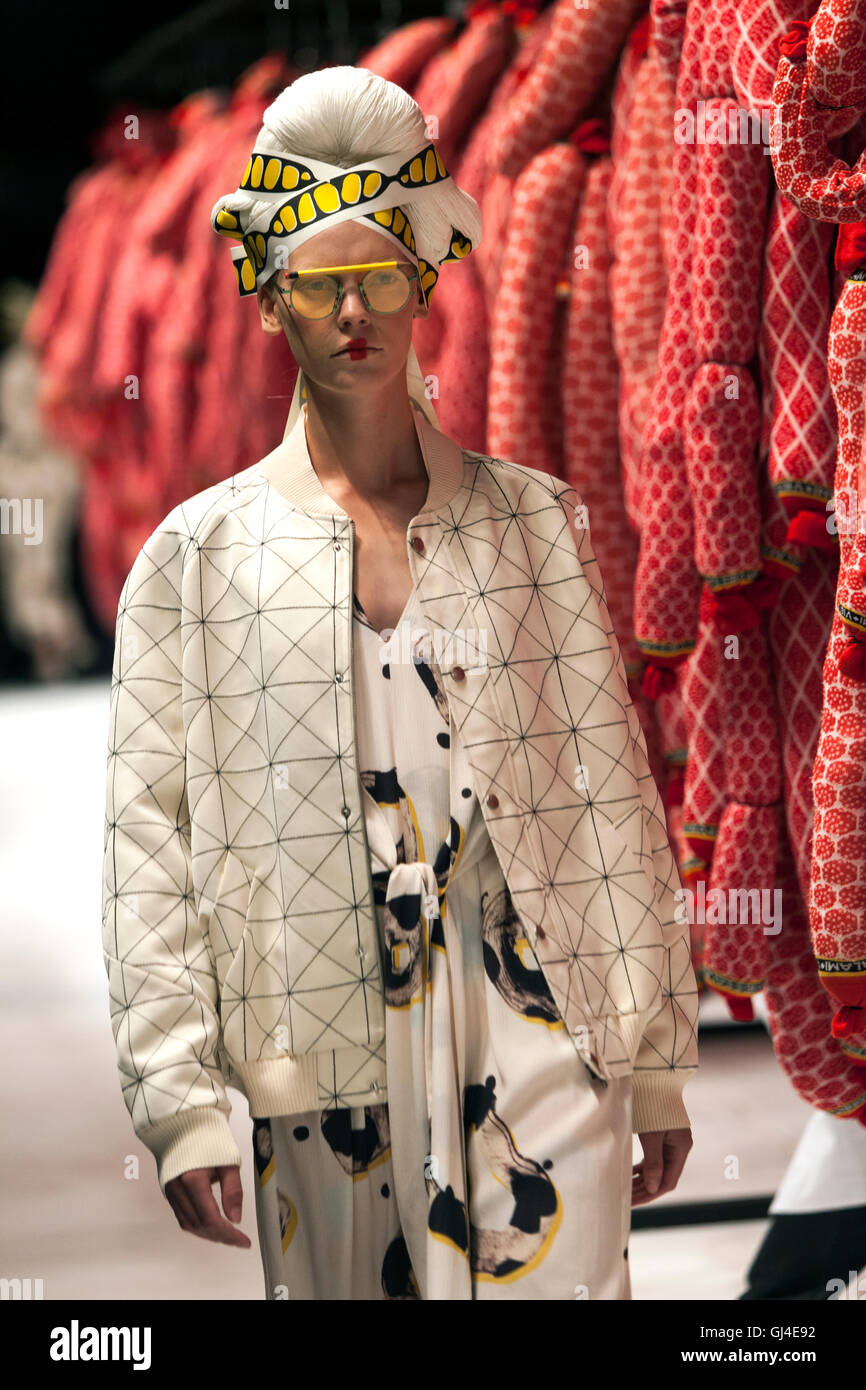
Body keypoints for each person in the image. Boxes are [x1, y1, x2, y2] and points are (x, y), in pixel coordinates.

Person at [101, 65, 699, 1300]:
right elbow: (146, 839)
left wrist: (650, 1059)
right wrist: (177, 1098)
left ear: (425, 283)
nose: (352, 310)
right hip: (315, 1046)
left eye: (379, 272)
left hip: (542, 1025)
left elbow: (610, 795)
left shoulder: (533, 522)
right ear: (269, 302)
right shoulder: (195, 561)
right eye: (317, 281)